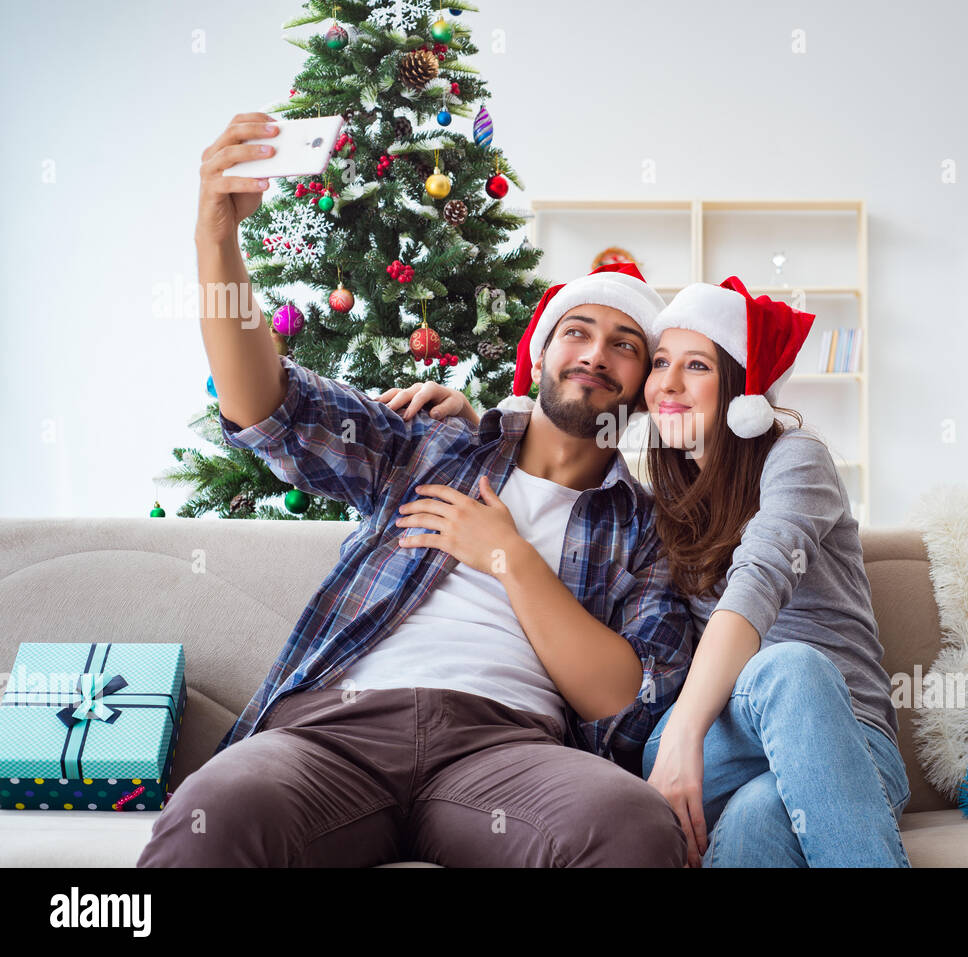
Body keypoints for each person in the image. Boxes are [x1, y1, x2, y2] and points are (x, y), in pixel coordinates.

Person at [139, 111, 694, 868]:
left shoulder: (645, 527)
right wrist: (216, 237)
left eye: (625, 344)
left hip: (505, 751)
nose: (596, 354)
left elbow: (624, 700)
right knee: (216, 811)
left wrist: (510, 559)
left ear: (642, 382)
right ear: (536, 358)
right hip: (332, 733)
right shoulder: (430, 443)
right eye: (578, 331)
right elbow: (266, 407)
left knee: (630, 823)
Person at [396, 277, 910, 868]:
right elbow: (554, 459)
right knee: (768, 707)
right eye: (660, 363)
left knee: (758, 803)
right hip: (720, 736)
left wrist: (685, 734)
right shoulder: (660, 495)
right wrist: (471, 422)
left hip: (840, 738)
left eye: (696, 366)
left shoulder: (794, 456)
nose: (668, 383)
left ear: (739, 391)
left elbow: (758, 585)